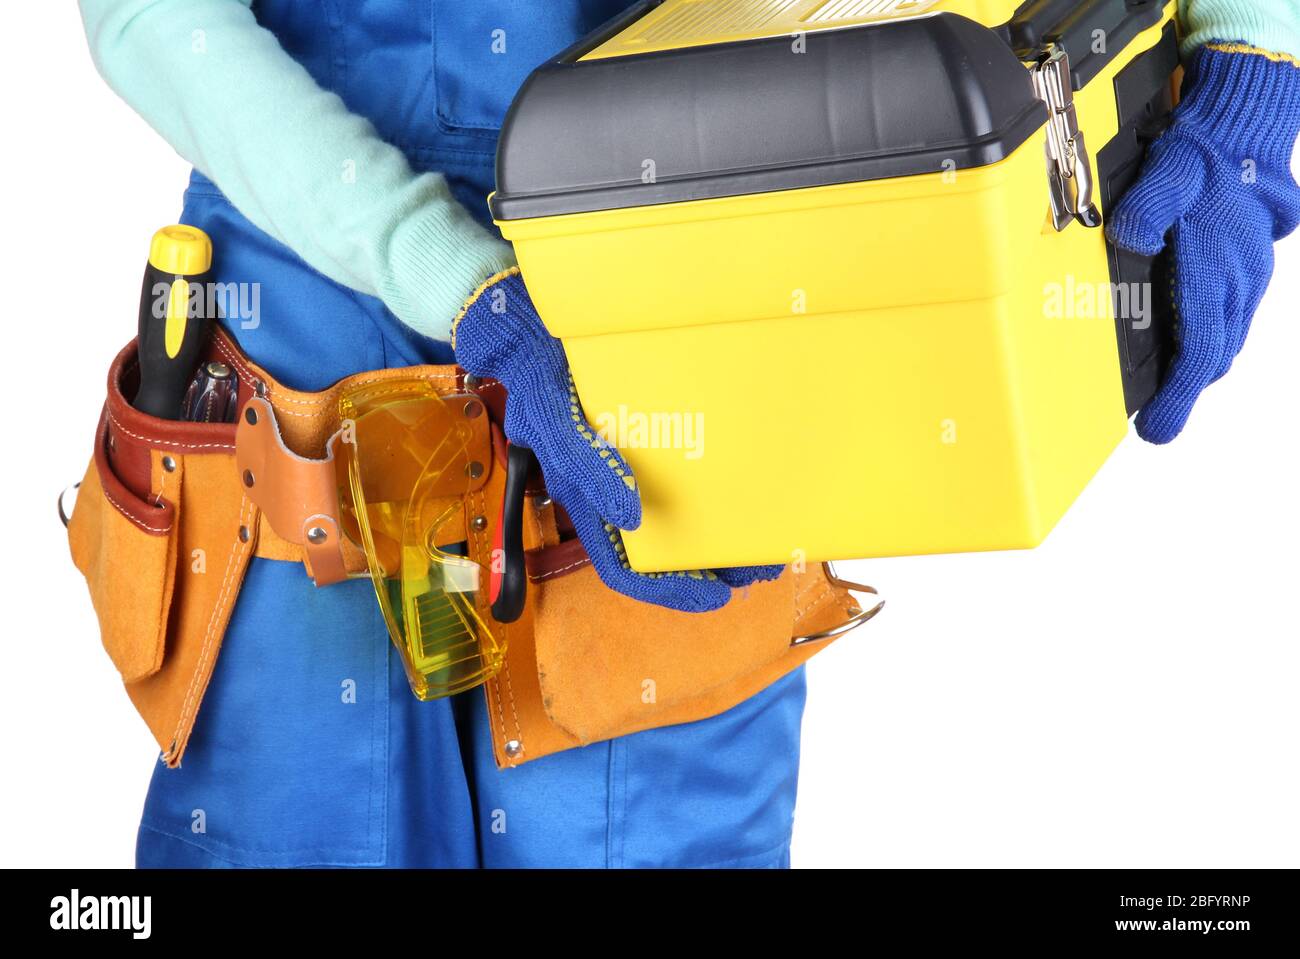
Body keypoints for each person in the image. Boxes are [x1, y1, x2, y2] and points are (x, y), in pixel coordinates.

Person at [76, 0, 1300, 868]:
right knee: (293, 830)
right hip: (290, 290)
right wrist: (454, 275)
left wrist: (1255, 56)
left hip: (692, 235)